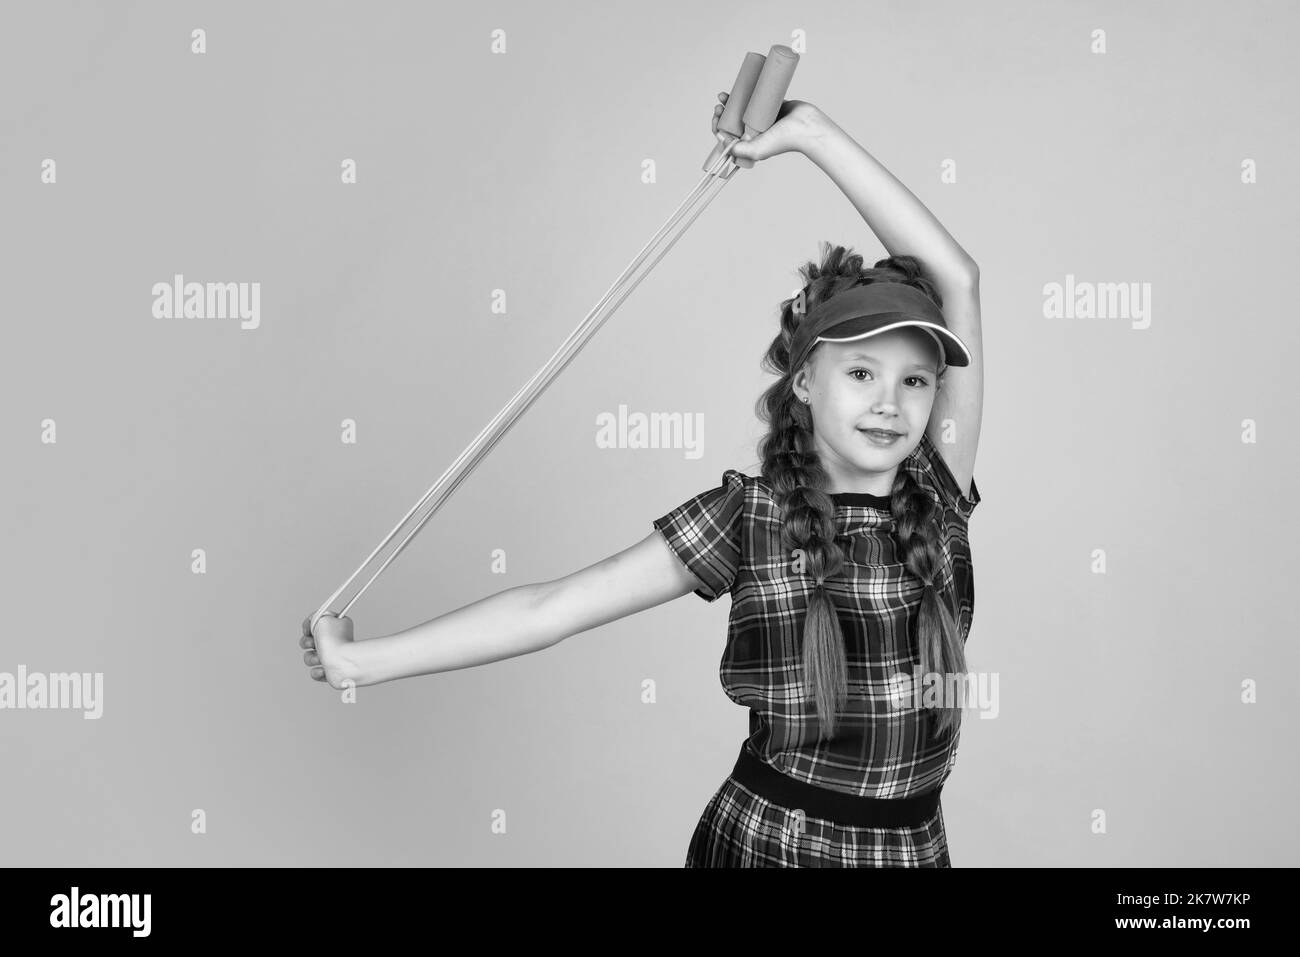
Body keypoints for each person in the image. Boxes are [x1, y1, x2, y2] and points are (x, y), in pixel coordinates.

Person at [300, 92, 984, 867]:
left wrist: (813, 136)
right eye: (861, 372)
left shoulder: (938, 489)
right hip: (775, 845)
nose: (890, 404)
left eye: (916, 381)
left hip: (915, 848)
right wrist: (362, 661)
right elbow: (552, 608)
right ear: (803, 383)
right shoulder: (749, 514)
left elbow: (957, 277)